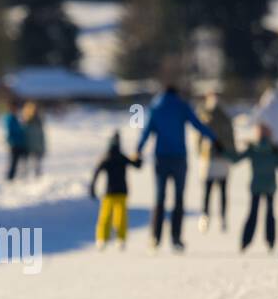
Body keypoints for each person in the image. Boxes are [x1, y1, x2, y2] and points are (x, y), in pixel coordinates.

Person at [135, 84, 217, 251]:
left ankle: (155, 238)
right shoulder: (181, 105)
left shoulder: (156, 106)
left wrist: (138, 149)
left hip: (161, 158)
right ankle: (176, 238)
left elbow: (147, 130)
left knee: (160, 198)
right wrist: (214, 138)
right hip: (179, 158)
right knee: (178, 199)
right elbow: (197, 124)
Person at [226, 126, 278, 252]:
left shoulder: (254, 149)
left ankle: (245, 242)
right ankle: (270, 241)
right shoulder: (274, 150)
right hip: (270, 187)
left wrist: (223, 150)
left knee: (252, 214)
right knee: (270, 214)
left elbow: (235, 159)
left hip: (256, 186)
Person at [90, 131, 142, 249]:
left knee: (113, 216)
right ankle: (110, 238)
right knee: (113, 216)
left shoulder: (111, 157)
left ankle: (111, 238)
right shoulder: (117, 157)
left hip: (115, 192)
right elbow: (137, 165)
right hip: (115, 192)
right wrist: (138, 157)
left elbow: (96, 173)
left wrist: (92, 186)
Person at [199, 91, 236, 232]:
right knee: (223, 191)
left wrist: (200, 151)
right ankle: (223, 218)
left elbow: (199, 136)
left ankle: (205, 217)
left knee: (208, 191)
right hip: (223, 158)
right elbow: (231, 138)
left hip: (209, 158)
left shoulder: (206, 117)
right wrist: (232, 153)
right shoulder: (226, 117)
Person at [253, 85, 278, 174]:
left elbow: (255, 120)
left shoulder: (263, 109)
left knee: (269, 166)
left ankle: (270, 181)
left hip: (269, 143)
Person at [3, 101, 29, 181]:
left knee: (22, 161)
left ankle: (20, 177)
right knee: (14, 162)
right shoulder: (10, 118)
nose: (16, 110)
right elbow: (12, 130)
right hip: (14, 144)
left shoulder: (16, 118)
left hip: (20, 143)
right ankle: (10, 178)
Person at [22, 100, 47, 176]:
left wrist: (43, 147)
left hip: (37, 147)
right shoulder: (26, 121)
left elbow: (41, 136)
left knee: (37, 166)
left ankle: (37, 179)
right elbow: (23, 134)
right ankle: (24, 178)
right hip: (27, 147)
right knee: (25, 166)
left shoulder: (39, 121)